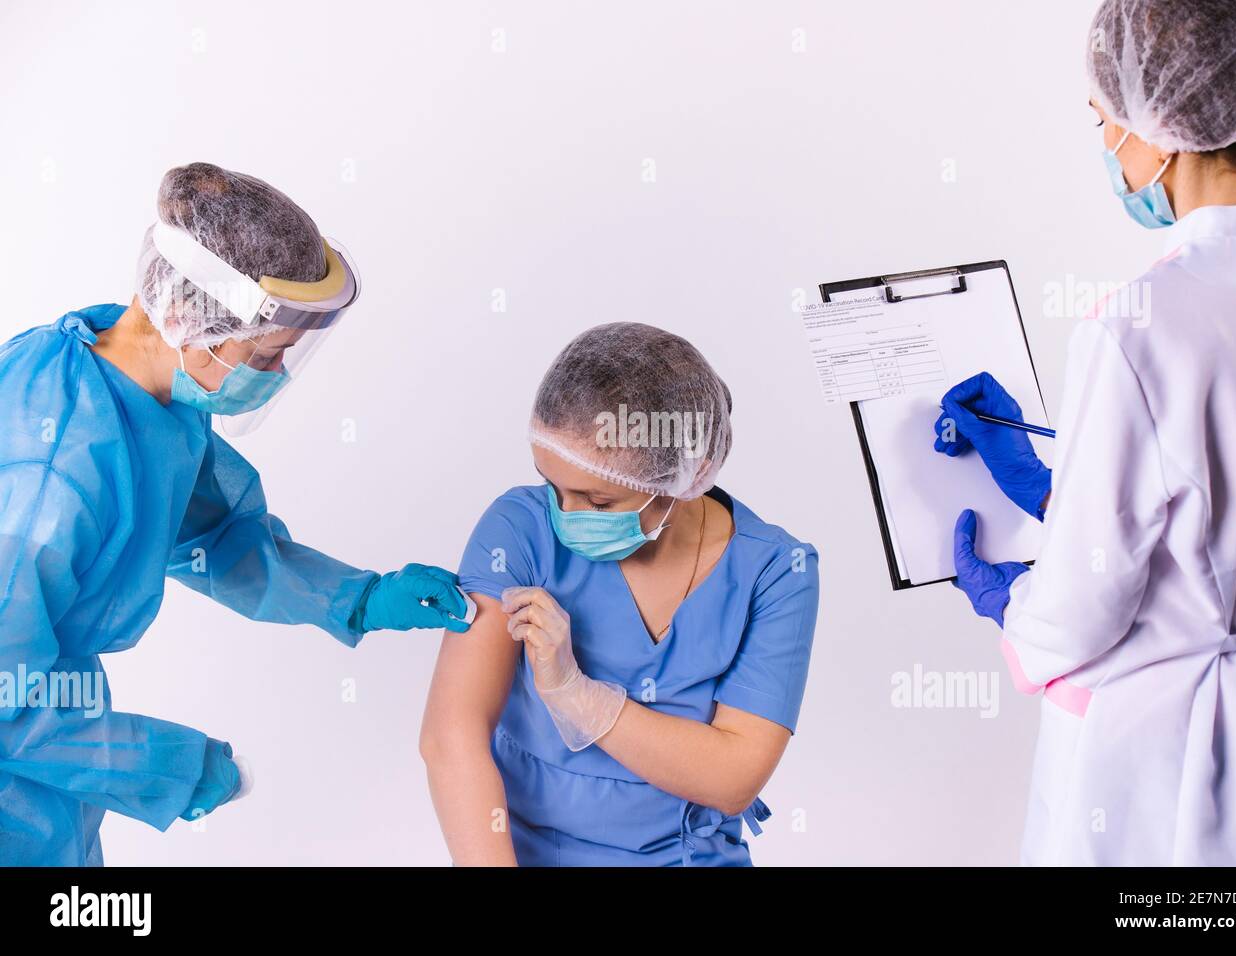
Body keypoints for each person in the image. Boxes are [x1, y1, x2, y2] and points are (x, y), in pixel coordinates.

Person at [0, 164, 470, 866]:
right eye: (266, 354)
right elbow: (10, 703)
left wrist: (360, 598)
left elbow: (215, 539)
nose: (275, 374)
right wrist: (168, 768)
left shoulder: (140, 393)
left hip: (50, 789)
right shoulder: (55, 470)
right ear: (191, 320)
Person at [936, 0, 1236, 865]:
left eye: (1107, 122)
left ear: (1166, 129)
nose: (1106, 148)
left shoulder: (1139, 325)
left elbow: (1080, 611)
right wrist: (1058, 489)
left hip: (1171, 769)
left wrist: (1012, 603)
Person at [420, 322, 818, 865]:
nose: (567, 518)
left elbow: (732, 779)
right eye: (554, 486)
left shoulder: (775, 570)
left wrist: (578, 697)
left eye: (599, 502)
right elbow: (452, 736)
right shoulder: (519, 529)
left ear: (690, 473)